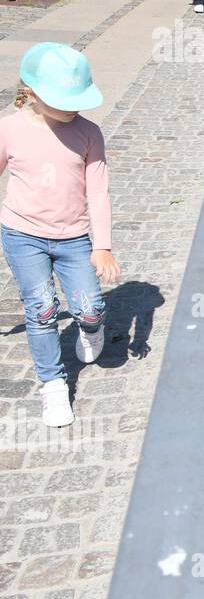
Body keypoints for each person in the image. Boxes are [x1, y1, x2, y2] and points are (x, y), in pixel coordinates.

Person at [0, 44, 122, 428]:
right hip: (22, 235)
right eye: (63, 101)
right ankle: (52, 384)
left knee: (89, 306)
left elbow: (98, 191)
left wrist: (101, 246)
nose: (73, 108)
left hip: (73, 238)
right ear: (31, 94)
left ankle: (91, 327)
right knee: (42, 310)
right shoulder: (9, 129)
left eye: (78, 100)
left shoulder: (88, 133)